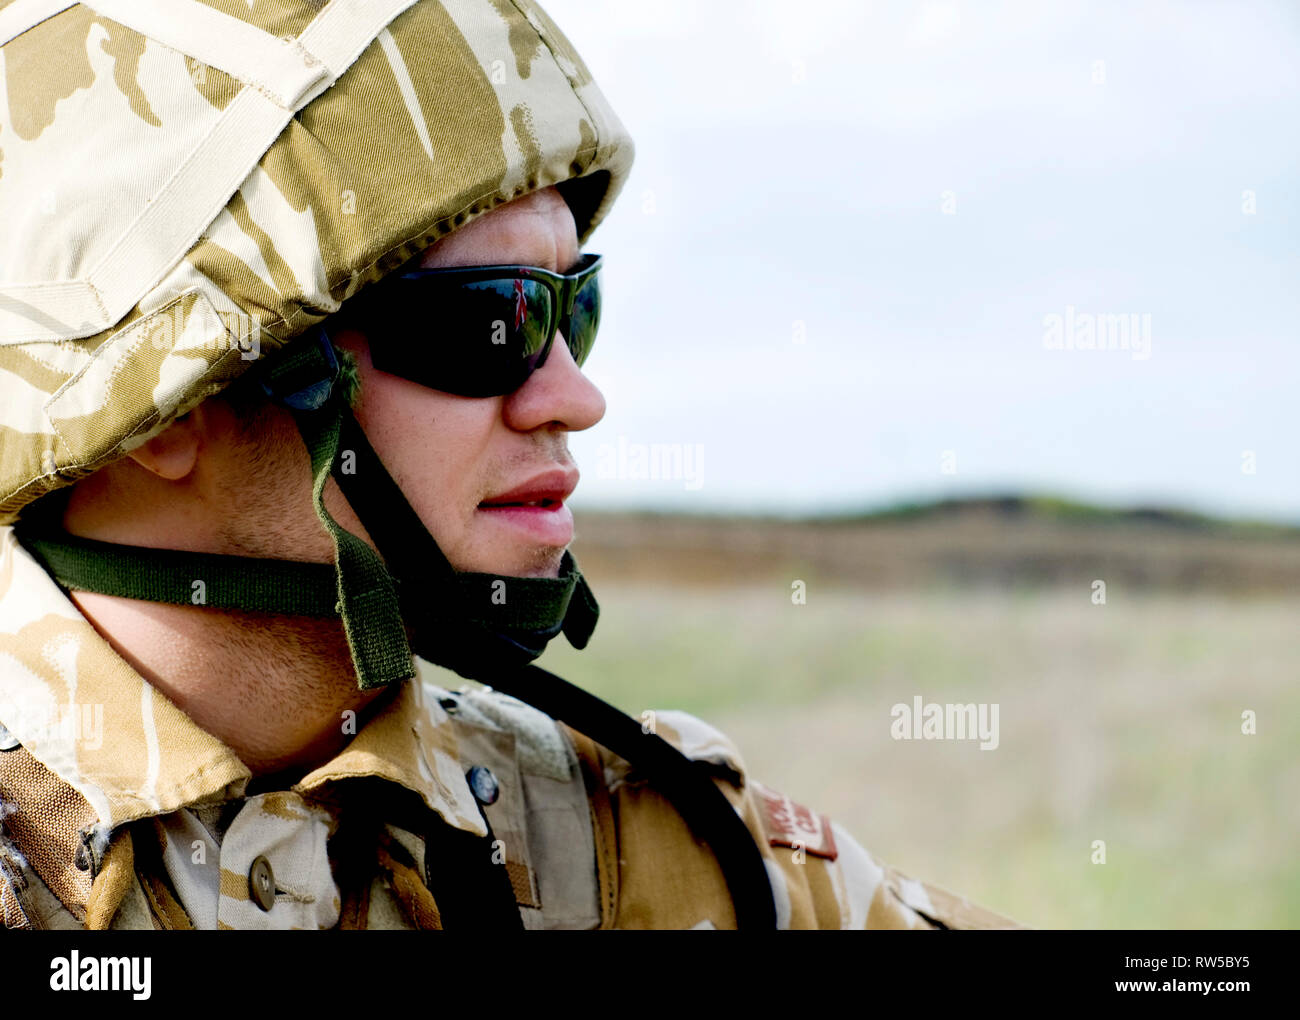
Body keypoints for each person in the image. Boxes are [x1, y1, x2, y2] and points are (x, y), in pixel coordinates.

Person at [0, 0, 1018, 930]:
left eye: (575, 306)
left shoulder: (646, 853)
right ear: (163, 415)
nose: (572, 397)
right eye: (491, 322)